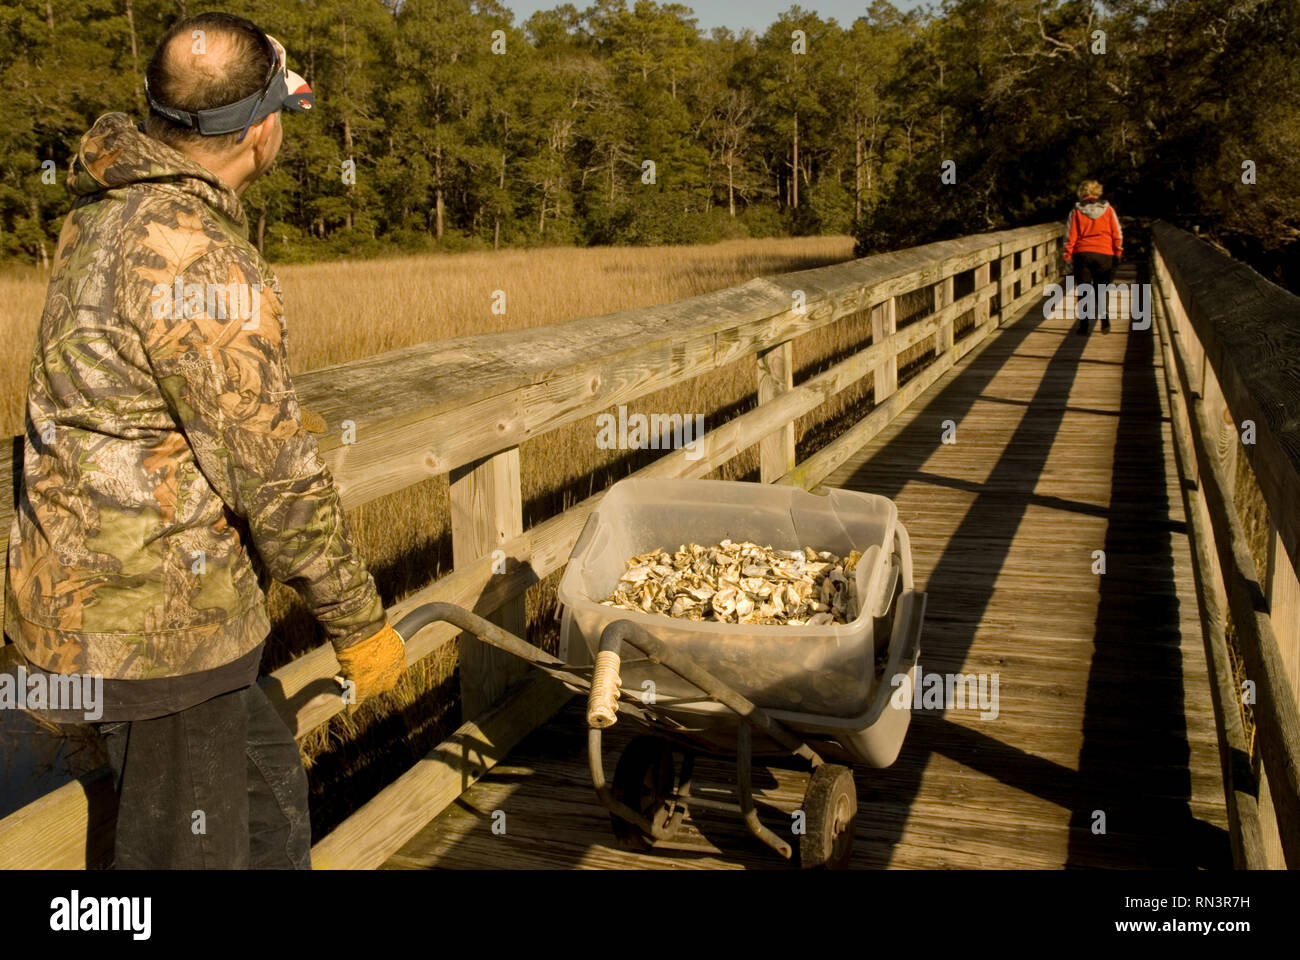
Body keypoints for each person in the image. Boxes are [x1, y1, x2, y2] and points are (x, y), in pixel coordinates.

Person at [2, 12, 406, 869]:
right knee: (185, 859)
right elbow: (274, 472)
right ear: (260, 130)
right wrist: (359, 623)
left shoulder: (100, 216)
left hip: (99, 611)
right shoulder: (201, 259)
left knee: (263, 811)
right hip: (158, 633)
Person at [1063, 179, 1124, 334]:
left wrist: (1067, 256)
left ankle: (1084, 325)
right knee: (1102, 288)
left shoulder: (1076, 211)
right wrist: (1118, 252)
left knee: (1084, 289)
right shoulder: (1108, 210)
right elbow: (1117, 233)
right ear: (1097, 191)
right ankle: (1105, 321)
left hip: (1082, 254)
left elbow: (1070, 236)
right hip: (1104, 253)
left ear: (1081, 193)